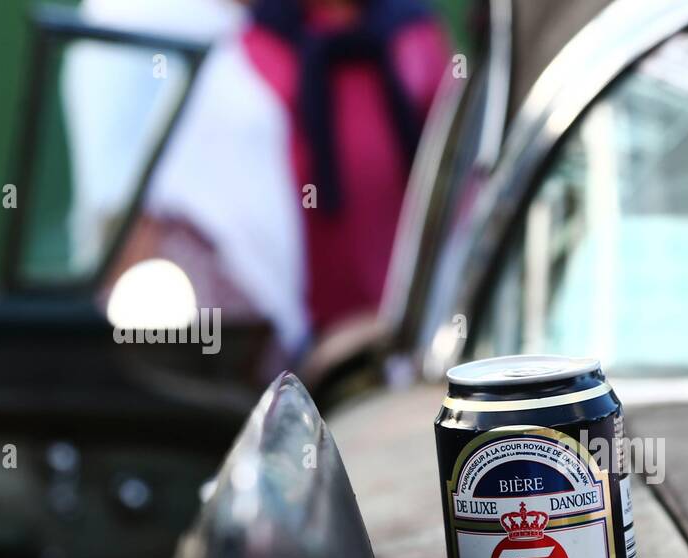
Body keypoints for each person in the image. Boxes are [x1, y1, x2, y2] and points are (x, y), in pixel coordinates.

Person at [113, 0, 452, 370]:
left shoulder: (416, 41)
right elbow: (194, 224)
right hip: (287, 356)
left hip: (408, 343)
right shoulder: (239, 59)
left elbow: (460, 203)